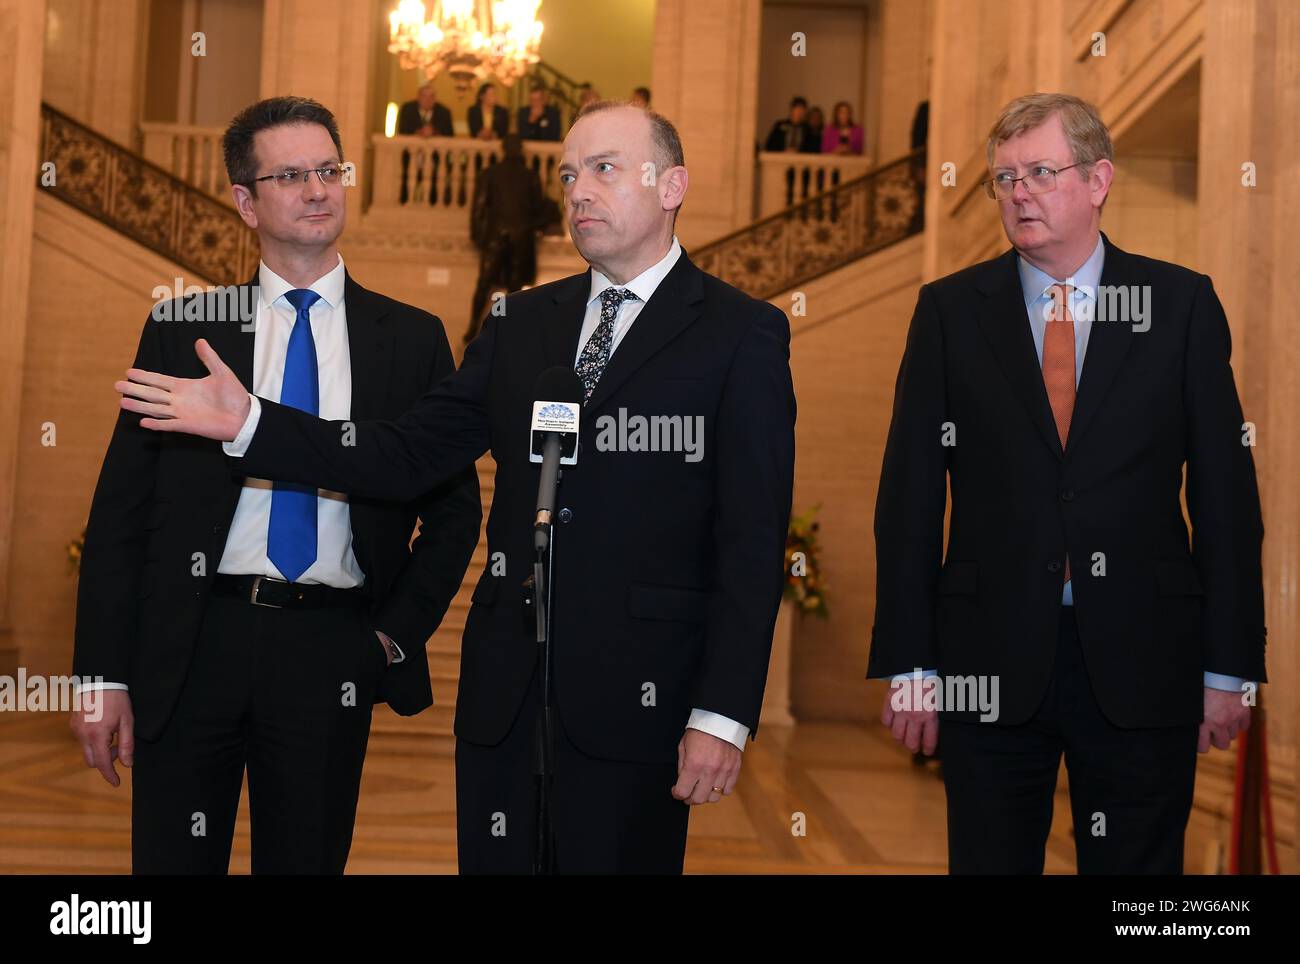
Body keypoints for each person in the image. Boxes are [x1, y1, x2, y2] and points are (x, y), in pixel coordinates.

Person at [116, 100, 797, 875]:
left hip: (637, 705)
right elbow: (403, 455)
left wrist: (723, 714)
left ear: (671, 184)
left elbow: (751, 542)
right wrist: (253, 424)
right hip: (503, 703)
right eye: (568, 174)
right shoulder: (521, 324)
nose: (577, 192)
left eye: (603, 169)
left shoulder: (741, 334)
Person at [71, 96, 482, 874]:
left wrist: (390, 635)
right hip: (194, 643)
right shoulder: (182, 329)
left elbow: (455, 515)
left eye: (329, 169)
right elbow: (122, 514)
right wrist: (100, 675)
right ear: (245, 202)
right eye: (290, 175)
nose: (318, 188)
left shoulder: (412, 339)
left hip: (332, 649)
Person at [868, 92, 1265, 874]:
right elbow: (908, 500)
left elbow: (1226, 500)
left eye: (1040, 173)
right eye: (1004, 178)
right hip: (988, 661)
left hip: (1146, 659)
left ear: (1098, 180)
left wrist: (1228, 667)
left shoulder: (1179, 305)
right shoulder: (950, 314)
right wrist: (911, 665)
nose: (1019, 193)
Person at [467, 134, 544, 341]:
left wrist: (476, 235)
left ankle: (473, 326)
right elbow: (538, 208)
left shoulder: (490, 173)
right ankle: (506, 329)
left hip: (495, 235)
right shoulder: (530, 175)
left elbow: (478, 207)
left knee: (485, 284)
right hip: (520, 236)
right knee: (513, 288)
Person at [397, 84, 453, 205]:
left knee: (435, 183)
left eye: (431, 97)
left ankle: (433, 203)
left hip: (435, 158)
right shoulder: (407, 109)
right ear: (418, 97)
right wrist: (418, 132)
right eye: (424, 96)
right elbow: (402, 130)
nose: (428, 100)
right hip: (411, 156)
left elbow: (450, 135)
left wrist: (434, 132)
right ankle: (405, 202)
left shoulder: (444, 112)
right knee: (407, 181)